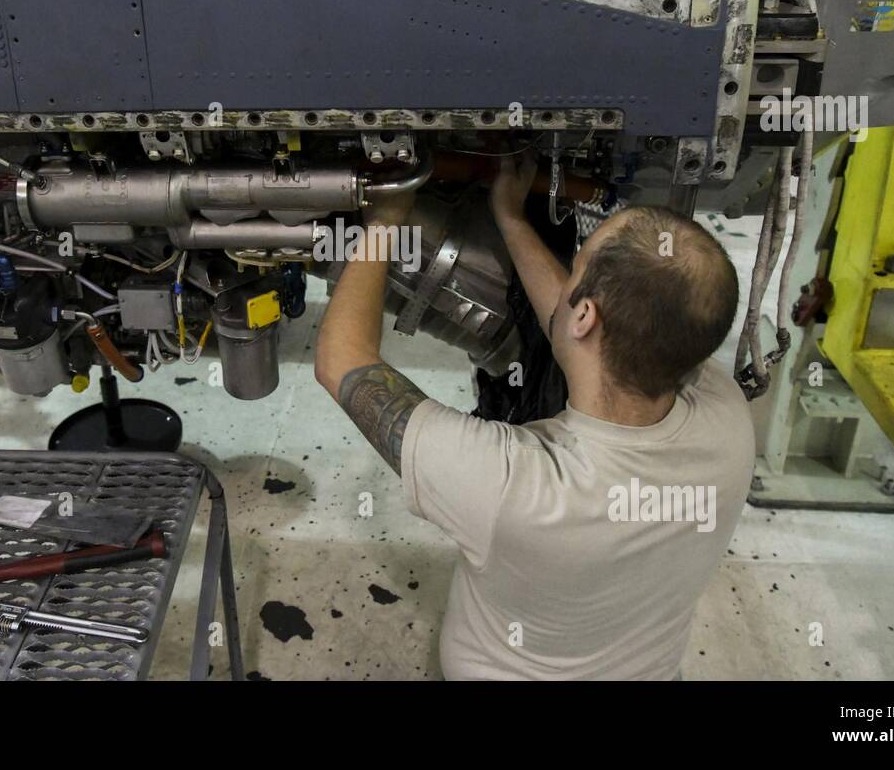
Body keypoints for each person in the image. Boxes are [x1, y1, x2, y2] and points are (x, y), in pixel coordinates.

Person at [314, 154, 755, 679]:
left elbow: (342, 361)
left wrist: (384, 223)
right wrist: (513, 220)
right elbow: (577, 328)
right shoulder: (729, 422)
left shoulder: (511, 488)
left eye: (579, 264)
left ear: (586, 314)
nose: (569, 280)